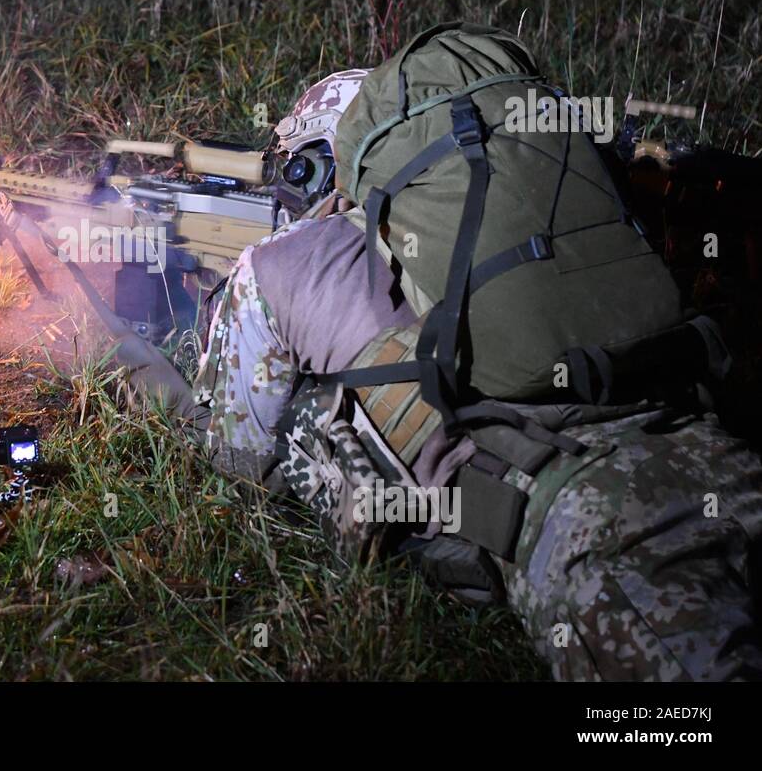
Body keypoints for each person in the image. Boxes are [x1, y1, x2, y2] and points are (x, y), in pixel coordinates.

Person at [192, 68, 762, 681]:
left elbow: (239, 458)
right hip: (711, 447)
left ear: (320, 165)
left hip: (589, 520)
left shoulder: (280, 263)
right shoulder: (559, 209)